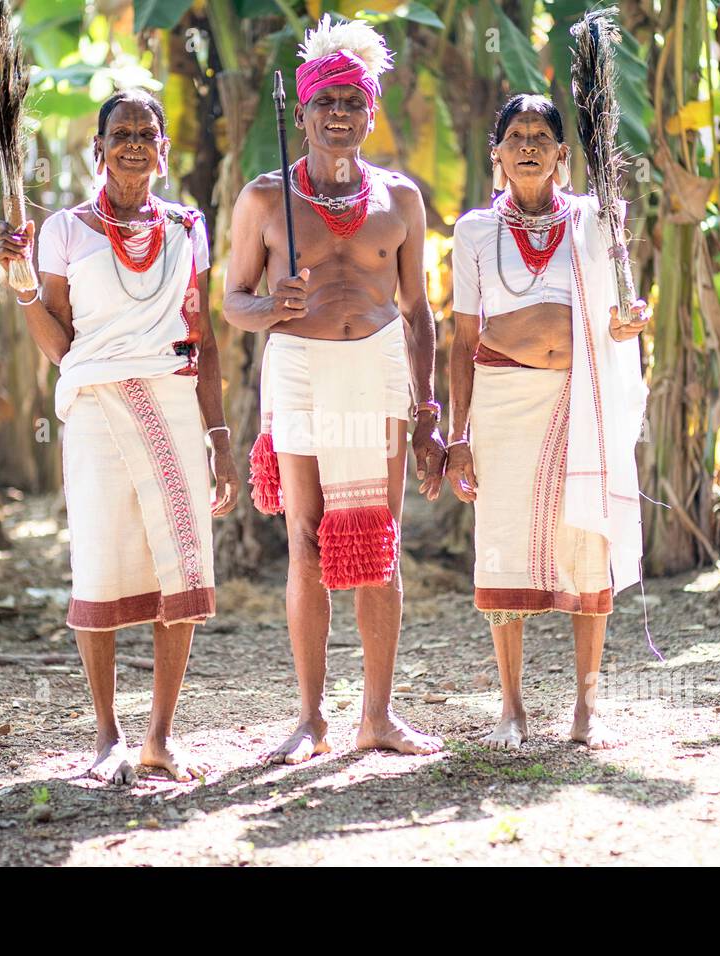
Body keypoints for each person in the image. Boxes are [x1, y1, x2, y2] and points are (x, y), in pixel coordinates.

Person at [0, 89, 238, 784]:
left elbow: (206, 338)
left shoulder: (190, 225)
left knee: (182, 569)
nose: (134, 142)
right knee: (99, 564)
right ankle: (107, 735)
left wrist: (218, 434)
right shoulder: (65, 230)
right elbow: (59, 345)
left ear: (163, 149)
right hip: (97, 406)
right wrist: (21, 290)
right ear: (97, 150)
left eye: (146, 132)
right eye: (120, 133)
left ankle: (161, 735)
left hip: (175, 401)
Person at [224, 15, 446, 764]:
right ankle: (311, 719)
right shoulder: (264, 199)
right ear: (307, 111)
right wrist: (272, 307)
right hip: (300, 370)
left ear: (370, 112)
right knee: (308, 543)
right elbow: (233, 300)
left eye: (354, 102)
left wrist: (430, 415)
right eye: (326, 104)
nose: (340, 115)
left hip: (378, 371)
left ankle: (377, 718)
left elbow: (419, 314)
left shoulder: (402, 201)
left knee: (378, 545)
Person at [445, 93, 651, 751]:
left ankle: (587, 713)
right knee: (503, 543)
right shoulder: (474, 231)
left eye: (542, 136)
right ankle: (511, 710)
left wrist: (629, 322)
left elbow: (622, 313)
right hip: (503, 404)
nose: (529, 144)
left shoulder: (598, 220)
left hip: (582, 401)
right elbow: (461, 341)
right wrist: (459, 436)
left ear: (565, 155)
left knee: (585, 543)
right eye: (516, 135)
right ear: (497, 153)